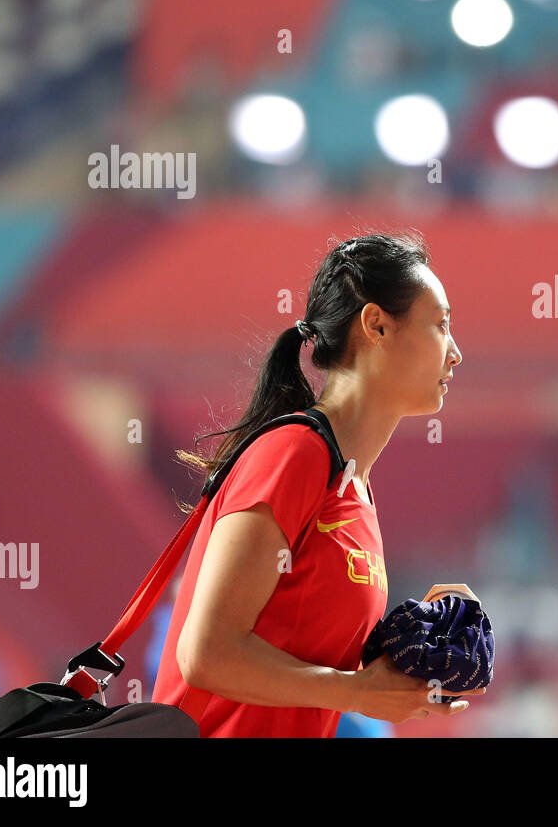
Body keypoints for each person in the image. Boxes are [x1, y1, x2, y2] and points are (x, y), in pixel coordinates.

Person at [151, 231, 482, 736]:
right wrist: (355, 691)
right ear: (376, 325)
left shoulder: (356, 488)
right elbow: (206, 655)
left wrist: (405, 644)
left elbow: (300, 657)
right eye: (440, 325)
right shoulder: (294, 454)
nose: (455, 353)